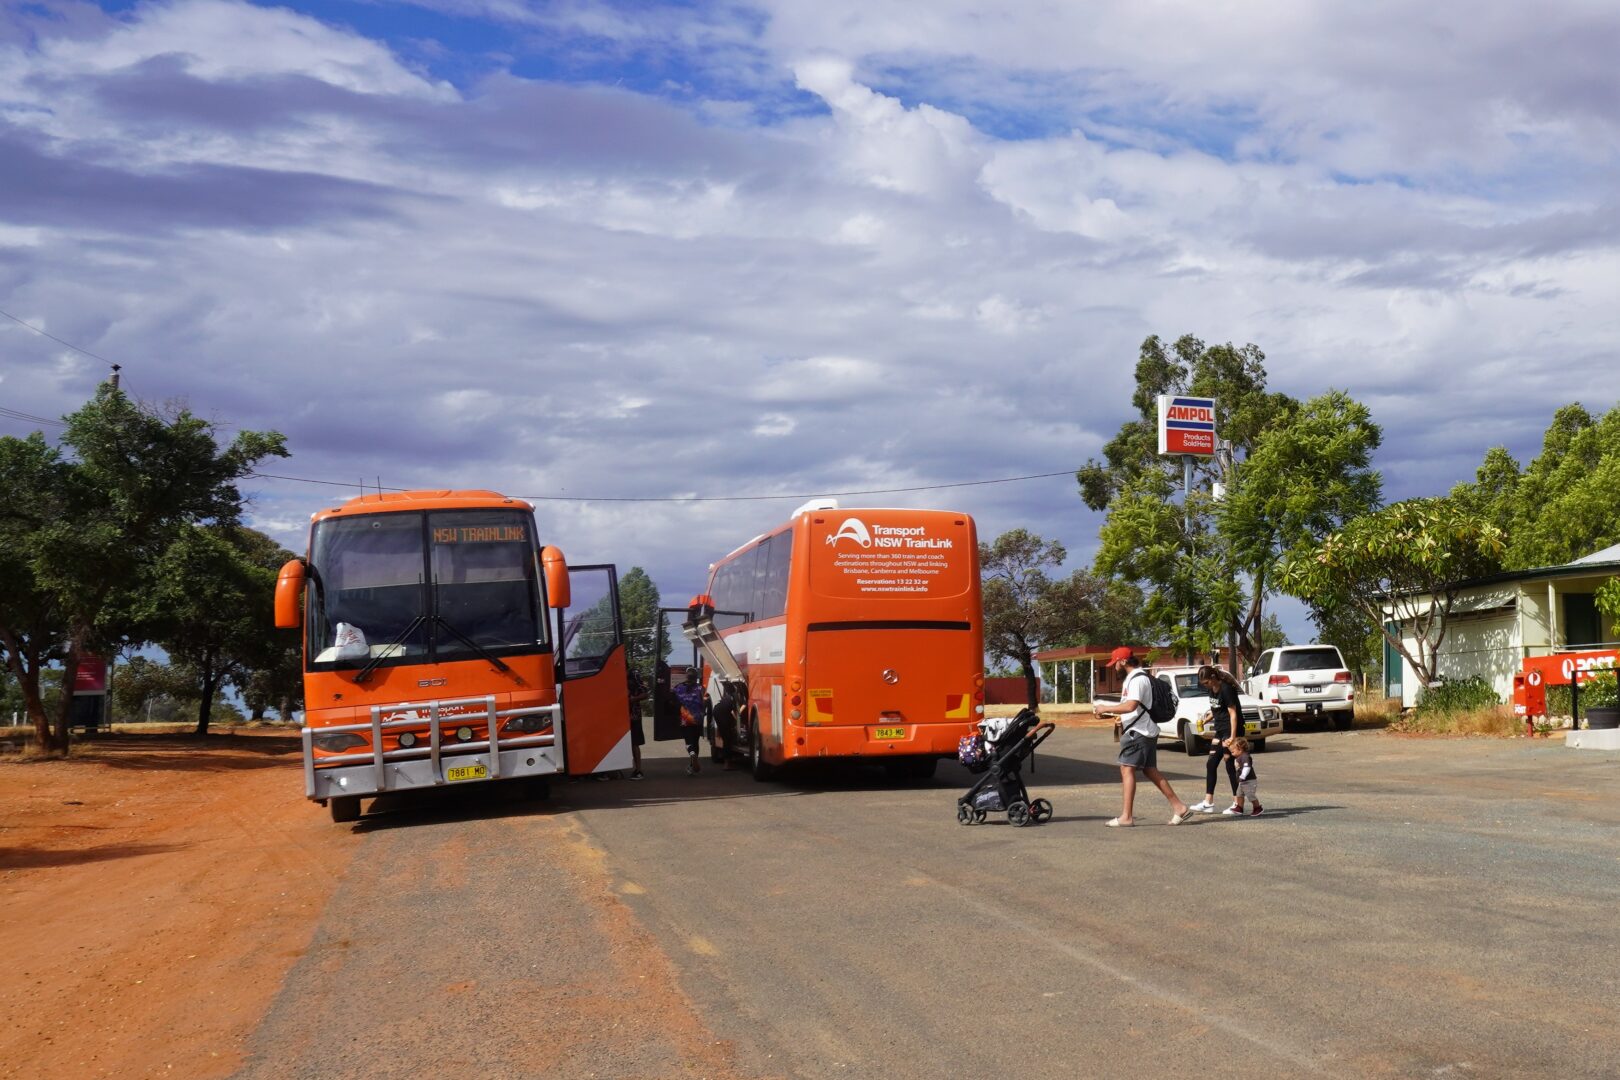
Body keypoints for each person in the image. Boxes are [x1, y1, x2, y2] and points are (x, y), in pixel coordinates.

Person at [1092, 647, 1192, 827]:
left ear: (1123, 662)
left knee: (1126, 769)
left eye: (1115, 664)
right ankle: (1179, 807)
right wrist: (1116, 716)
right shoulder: (1136, 678)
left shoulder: (1137, 680)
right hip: (1143, 729)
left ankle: (1126, 817)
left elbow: (1130, 706)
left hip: (1138, 732)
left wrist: (1104, 708)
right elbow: (1132, 707)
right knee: (1149, 770)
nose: (1114, 668)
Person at [1188, 665, 1242, 813]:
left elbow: (1233, 714)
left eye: (1206, 683)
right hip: (1219, 730)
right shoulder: (1211, 690)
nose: (1205, 686)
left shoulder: (1226, 689)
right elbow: (1216, 709)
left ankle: (1237, 804)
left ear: (1213, 678)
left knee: (1229, 764)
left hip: (1230, 730)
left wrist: (1233, 736)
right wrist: (1205, 720)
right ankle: (1208, 802)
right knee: (1211, 763)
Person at [671, 667, 705, 775]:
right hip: (698, 719)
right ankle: (692, 764)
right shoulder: (700, 688)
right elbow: (705, 702)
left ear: (686, 676)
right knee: (696, 741)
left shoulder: (678, 688)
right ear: (696, 678)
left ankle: (692, 754)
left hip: (685, 719)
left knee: (688, 741)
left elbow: (672, 701)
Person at [1224, 737, 1263, 816]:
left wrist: (1242, 776)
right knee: (1239, 794)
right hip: (1243, 781)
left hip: (1249, 780)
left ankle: (1257, 808)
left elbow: (1247, 767)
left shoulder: (1245, 756)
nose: (1232, 753)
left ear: (1240, 749)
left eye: (1233, 751)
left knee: (1250, 795)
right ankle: (1239, 807)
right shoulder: (1239, 757)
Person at [625, 666, 649, 780]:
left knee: (635, 743)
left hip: (633, 715)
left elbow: (645, 693)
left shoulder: (634, 674)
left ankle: (638, 771)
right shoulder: (611, 674)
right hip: (616, 716)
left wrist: (632, 700)